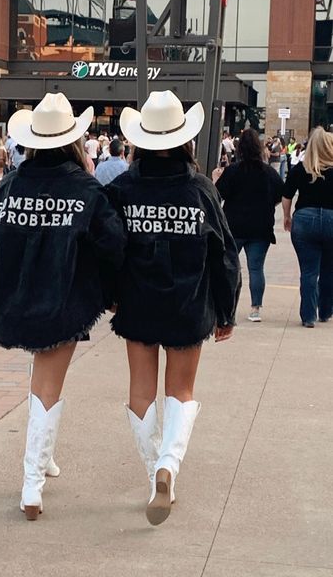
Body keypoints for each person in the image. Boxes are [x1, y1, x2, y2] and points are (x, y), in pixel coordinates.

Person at [0, 92, 126, 521]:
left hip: (15, 301)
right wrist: (109, 294)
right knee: (49, 387)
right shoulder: (86, 189)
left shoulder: (10, 186)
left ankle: (45, 457)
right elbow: (114, 246)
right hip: (63, 302)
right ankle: (31, 484)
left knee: (42, 378)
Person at [106, 91, 240, 526]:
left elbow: (106, 246)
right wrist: (227, 310)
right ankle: (168, 467)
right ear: (185, 139)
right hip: (189, 300)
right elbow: (224, 253)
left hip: (138, 300)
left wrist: (108, 291)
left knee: (140, 391)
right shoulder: (199, 188)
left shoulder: (123, 188)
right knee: (180, 392)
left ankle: (154, 475)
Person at [216, 129, 284, 322]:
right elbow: (281, 194)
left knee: (229, 267)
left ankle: (227, 307)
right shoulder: (268, 172)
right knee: (256, 268)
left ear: (239, 149)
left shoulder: (233, 171)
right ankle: (255, 308)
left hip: (234, 226)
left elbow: (219, 194)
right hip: (260, 227)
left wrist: (215, 179)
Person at [282, 126, 333, 327]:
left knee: (309, 271)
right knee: (329, 270)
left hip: (305, 218)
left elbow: (286, 195)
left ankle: (308, 316)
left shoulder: (301, 168)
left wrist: (286, 217)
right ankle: (326, 311)